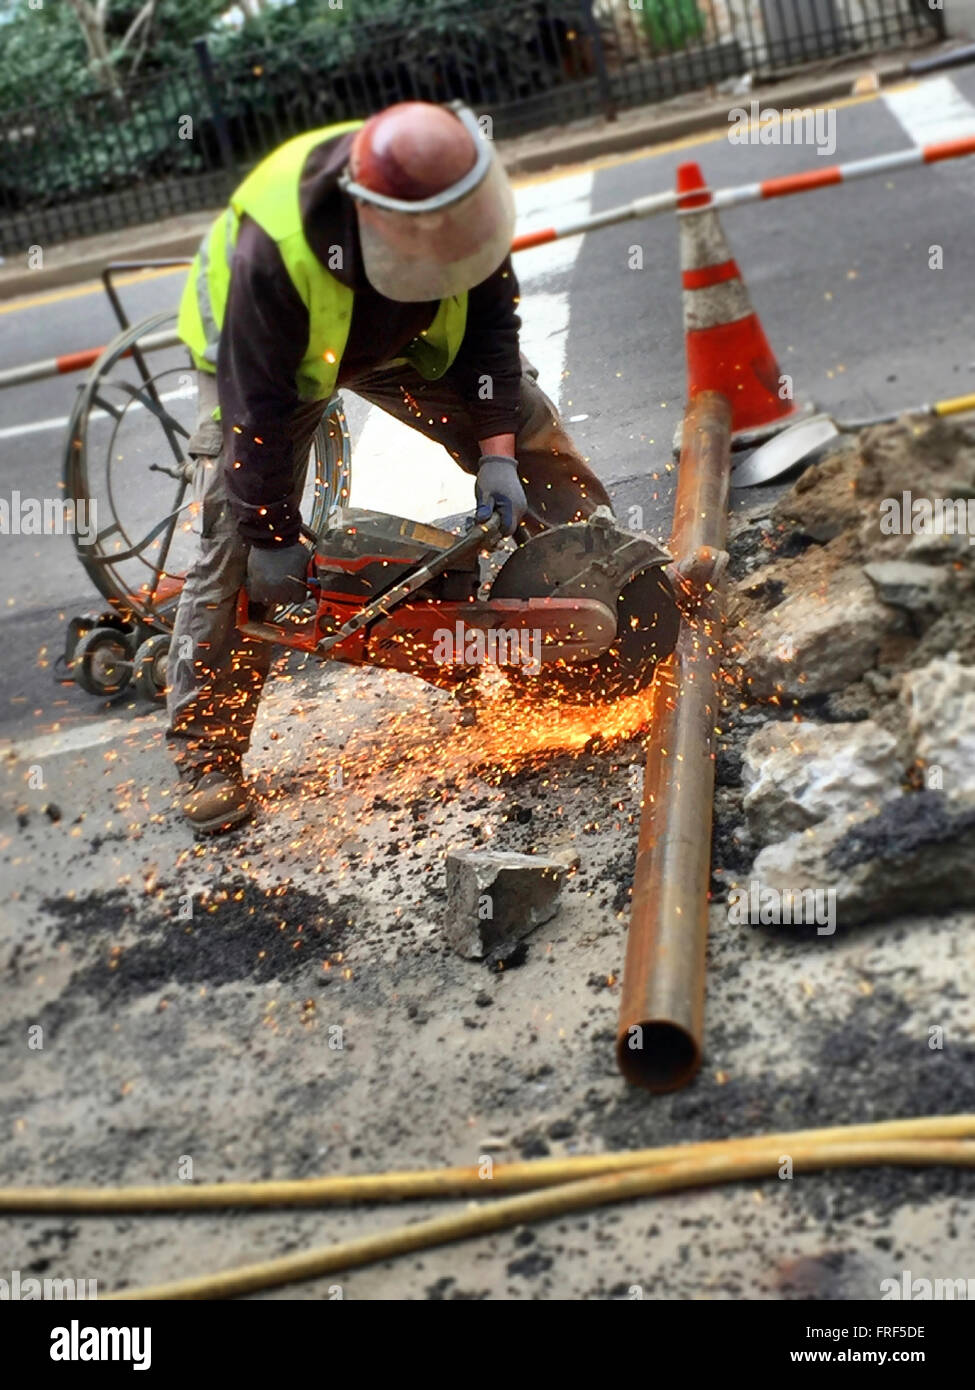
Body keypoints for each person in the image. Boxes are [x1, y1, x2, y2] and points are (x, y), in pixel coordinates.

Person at [169, 99, 611, 835]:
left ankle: (619, 589)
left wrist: (497, 453)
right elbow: (257, 418)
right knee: (231, 551)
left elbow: (493, 335)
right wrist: (273, 533)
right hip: (272, 371)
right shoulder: (274, 254)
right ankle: (207, 753)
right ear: (381, 223)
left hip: (405, 345)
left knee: (531, 431)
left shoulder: (462, 209)